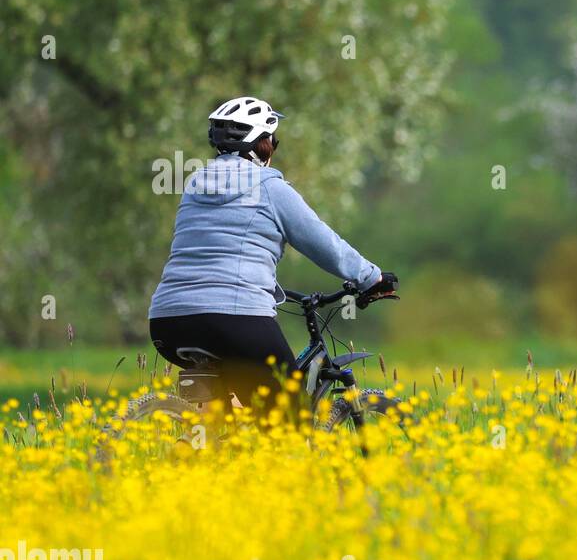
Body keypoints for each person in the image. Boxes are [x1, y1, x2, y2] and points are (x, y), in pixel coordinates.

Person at [148, 96, 397, 407]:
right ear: (262, 144)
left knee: (244, 406)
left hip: (168, 322)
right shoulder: (270, 188)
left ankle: (212, 444)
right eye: (272, 140)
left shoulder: (194, 185)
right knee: (288, 416)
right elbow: (323, 244)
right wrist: (371, 279)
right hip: (235, 319)